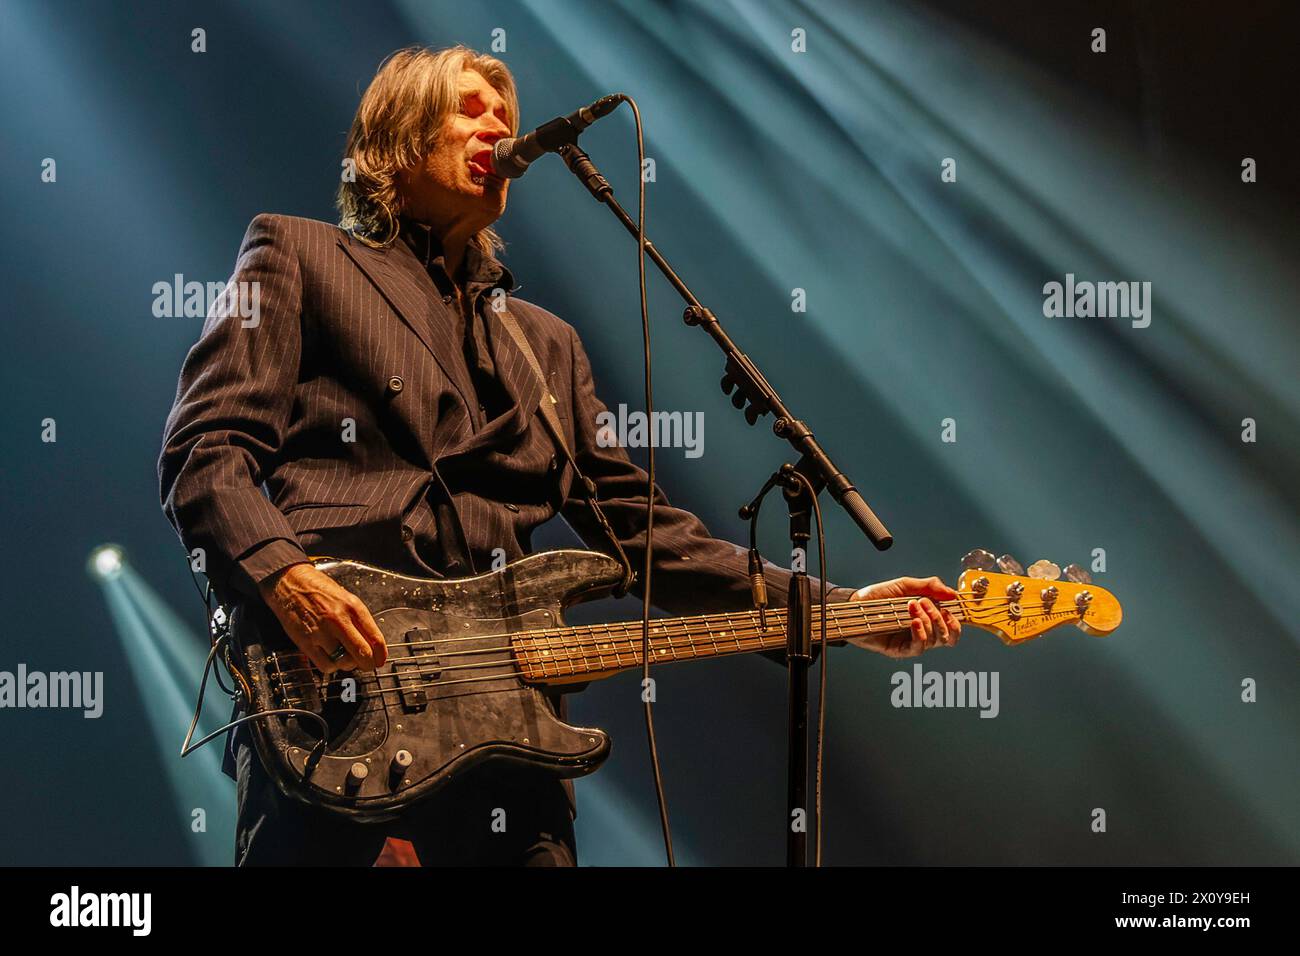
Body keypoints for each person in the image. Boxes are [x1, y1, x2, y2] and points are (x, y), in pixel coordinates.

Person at [158, 44, 961, 866]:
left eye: (503, 116)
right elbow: (205, 448)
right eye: (468, 110)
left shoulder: (543, 344)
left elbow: (652, 536)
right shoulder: (298, 255)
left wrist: (837, 610)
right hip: (334, 710)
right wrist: (284, 576)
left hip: (508, 741)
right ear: (396, 139)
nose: (497, 128)